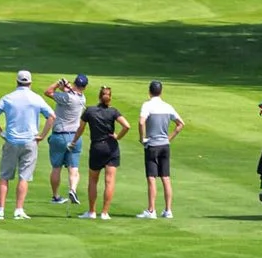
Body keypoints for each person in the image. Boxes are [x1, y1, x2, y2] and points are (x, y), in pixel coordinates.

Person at [0, 69, 54, 220]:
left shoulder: (9, 97)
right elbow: (51, 116)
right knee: (24, 177)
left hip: (11, 140)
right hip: (30, 141)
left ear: (17, 81)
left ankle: (0, 210)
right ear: (30, 82)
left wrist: (0, 131)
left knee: (4, 176)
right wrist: (42, 135)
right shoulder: (35, 98)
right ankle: (18, 210)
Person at [79, 85, 128, 220]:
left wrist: (74, 141)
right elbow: (126, 126)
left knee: (93, 180)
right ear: (109, 98)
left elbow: (81, 128)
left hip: (97, 147)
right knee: (110, 181)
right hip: (111, 147)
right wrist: (118, 137)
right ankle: (105, 213)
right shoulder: (113, 111)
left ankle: (92, 212)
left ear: (99, 97)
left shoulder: (90, 111)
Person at [137, 80, 183, 219]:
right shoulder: (168, 107)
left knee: (151, 178)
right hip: (165, 146)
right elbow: (180, 124)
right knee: (166, 178)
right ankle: (168, 210)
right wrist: (169, 138)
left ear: (149, 91)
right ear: (160, 91)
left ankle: (151, 210)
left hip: (152, 145)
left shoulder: (147, 105)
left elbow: (141, 121)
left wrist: (142, 137)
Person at [47, 74, 89, 206]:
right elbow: (71, 94)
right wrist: (66, 88)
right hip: (75, 136)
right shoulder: (82, 98)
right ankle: (72, 189)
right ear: (84, 87)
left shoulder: (66, 98)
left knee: (56, 167)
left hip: (60, 135)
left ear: (75, 83)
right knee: (73, 167)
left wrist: (58, 83)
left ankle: (55, 196)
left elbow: (48, 92)